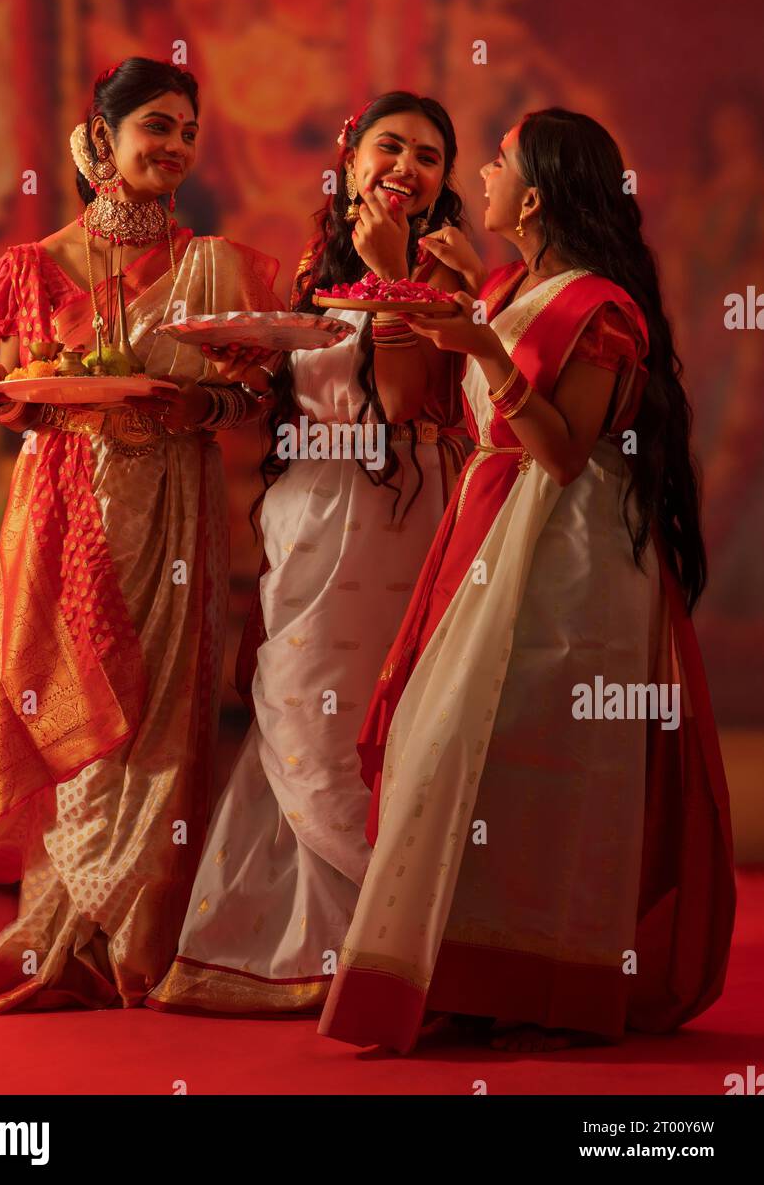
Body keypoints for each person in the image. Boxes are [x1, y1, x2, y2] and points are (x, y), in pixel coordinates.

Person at [317, 107, 736, 1053]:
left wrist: (486, 350)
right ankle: (456, 971)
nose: (483, 176)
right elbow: (455, 370)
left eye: (498, 163)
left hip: (567, 564)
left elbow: (561, 451)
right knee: (460, 751)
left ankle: (548, 980)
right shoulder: (517, 284)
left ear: (536, 195)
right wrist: (447, 295)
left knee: (542, 767)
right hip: (494, 542)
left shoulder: (600, 309)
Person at [0, 57, 281, 1012]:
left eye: (187, 132)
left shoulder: (211, 265)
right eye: (156, 128)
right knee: (70, 697)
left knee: (162, 707)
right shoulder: (32, 265)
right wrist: (4, 406)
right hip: (63, 507)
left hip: (175, 499)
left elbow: (255, 392)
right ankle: (58, 930)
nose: (174, 147)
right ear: (102, 139)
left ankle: (119, 941)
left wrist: (203, 400)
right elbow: (29, 387)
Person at [147, 92, 473, 1014]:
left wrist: (394, 272)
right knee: (290, 707)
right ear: (351, 156)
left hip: (396, 515)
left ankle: (399, 934)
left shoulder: (448, 272)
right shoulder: (311, 267)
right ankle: (297, 947)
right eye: (390, 147)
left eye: (429, 156)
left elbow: (408, 404)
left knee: (362, 720)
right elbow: (294, 395)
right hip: (307, 509)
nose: (407, 167)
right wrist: (233, 381)